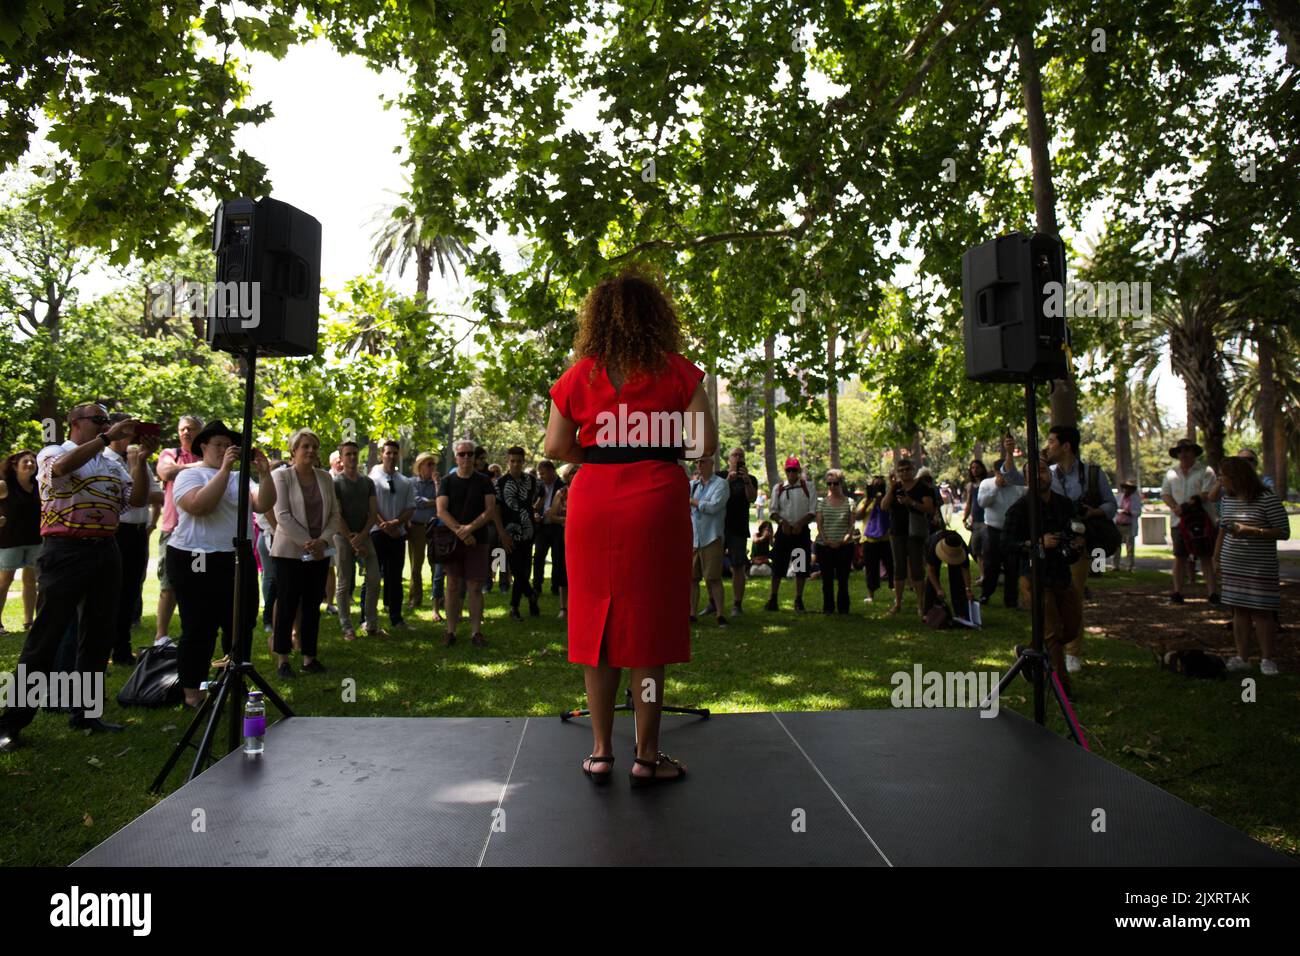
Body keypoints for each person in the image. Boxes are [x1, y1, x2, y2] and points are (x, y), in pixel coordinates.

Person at [544, 268, 714, 785]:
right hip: (655, 502)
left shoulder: (579, 376)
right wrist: (651, 448)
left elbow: (555, 447)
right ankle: (646, 756)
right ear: (657, 317)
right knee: (648, 628)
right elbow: (703, 445)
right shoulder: (678, 372)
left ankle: (600, 753)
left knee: (595, 621)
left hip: (593, 502)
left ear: (596, 321)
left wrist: (600, 453)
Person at [0, 405, 158, 752]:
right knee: (46, 635)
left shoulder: (112, 464)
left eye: (107, 421)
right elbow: (60, 470)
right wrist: (106, 438)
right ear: (74, 423)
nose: (106, 425)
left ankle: (85, 714)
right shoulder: (54, 451)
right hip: (64, 549)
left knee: (98, 635)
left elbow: (136, 500)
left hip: (106, 549)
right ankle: (11, 723)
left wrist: (142, 460)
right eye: (98, 420)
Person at [168, 421, 274, 708]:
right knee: (199, 627)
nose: (225, 450)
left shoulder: (242, 478)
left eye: (230, 446)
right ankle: (193, 691)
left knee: (240, 624)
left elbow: (263, 503)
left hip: (236, 558)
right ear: (203, 446)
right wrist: (225, 470)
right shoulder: (190, 475)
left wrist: (265, 474)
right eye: (219, 445)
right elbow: (200, 506)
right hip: (195, 557)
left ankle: (232, 680)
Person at [1003, 454, 1086, 699]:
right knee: (1051, 634)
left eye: (1042, 471)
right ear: (1026, 480)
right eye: (1032, 473)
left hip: (1062, 573)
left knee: (1070, 628)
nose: (1038, 476)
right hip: (1035, 576)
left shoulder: (1064, 504)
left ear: (1049, 475)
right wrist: (1036, 543)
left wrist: (1076, 542)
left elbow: (1076, 528)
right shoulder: (1020, 508)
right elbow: (1006, 543)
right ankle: (1062, 689)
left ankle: (1029, 653)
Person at [1041, 423, 1117, 673]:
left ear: (1066, 446)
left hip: (1078, 543)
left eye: (1051, 441)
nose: (1047, 446)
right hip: (1050, 542)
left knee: (1072, 597)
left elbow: (1111, 505)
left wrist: (1093, 512)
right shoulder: (1046, 473)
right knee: (1049, 598)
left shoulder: (1093, 474)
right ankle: (1053, 649)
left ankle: (1073, 652)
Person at [269, 428, 341, 678]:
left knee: (312, 604)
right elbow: (282, 515)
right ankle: (283, 660)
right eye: (305, 446)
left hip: (320, 552)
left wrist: (322, 541)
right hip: (289, 553)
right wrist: (308, 542)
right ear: (293, 450)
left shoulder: (325, 478)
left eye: (314, 447)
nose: (311, 451)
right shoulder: (281, 476)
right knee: (287, 604)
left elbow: (335, 515)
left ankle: (309, 657)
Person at [1215, 457, 1289, 675]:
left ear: (1236, 477)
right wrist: (1216, 556)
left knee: (1262, 611)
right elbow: (1222, 530)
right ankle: (1242, 657)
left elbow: (1283, 532)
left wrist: (1251, 531)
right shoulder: (1227, 500)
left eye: (1223, 476)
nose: (1220, 480)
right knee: (1238, 610)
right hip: (1232, 562)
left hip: (1259, 565)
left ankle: (1267, 659)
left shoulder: (1267, 499)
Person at [104, 417, 163, 665]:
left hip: (138, 531)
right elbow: (128, 496)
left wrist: (139, 469)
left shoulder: (140, 459)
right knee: (110, 591)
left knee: (131, 589)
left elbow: (158, 495)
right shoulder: (105, 459)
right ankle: (104, 648)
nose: (133, 436)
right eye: (128, 431)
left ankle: (122, 648)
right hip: (117, 530)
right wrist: (136, 485)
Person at [436, 439, 497, 646]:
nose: (466, 458)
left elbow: (490, 510)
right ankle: (450, 631)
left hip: (478, 541)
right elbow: (441, 510)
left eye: (470, 454)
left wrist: (470, 528)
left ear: (475, 457)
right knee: (452, 585)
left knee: (475, 586)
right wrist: (461, 532)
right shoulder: (447, 481)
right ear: (456, 457)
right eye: (462, 454)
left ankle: (476, 632)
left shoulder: (484, 481)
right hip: (453, 542)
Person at [153, 415, 203, 640]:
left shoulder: (206, 455)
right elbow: (166, 473)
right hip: (172, 531)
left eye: (191, 429)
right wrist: (199, 466)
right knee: (168, 585)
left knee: (197, 582)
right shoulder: (170, 454)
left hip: (199, 533)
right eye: (182, 429)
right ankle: (161, 636)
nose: (186, 433)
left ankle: (193, 632)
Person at [332, 441, 383, 640]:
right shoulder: (336, 483)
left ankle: (371, 624)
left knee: (374, 578)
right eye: (348, 454)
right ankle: (346, 627)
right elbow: (337, 515)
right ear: (341, 458)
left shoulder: (367, 482)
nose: (352, 457)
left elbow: (373, 512)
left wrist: (361, 536)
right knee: (344, 583)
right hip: (342, 537)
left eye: (355, 453)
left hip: (364, 535)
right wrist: (351, 539)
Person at [1161, 437, 1218, 605]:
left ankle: (1213, 593)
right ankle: (1177, 592)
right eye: (1180, 451)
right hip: (1179, 522)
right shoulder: (1171, 473)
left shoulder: (1206, 471)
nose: (1184, 454)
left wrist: (1185, 506)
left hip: (1202, 520)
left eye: (1187, 450)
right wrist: (1175, 507)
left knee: (1206, 556)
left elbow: (1207, 494)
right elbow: (1165, 494)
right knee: (1180, 557)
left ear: (1194, 452)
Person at [369, 440, 415, 629]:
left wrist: (395, 523)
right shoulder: (372, 478)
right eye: (388, 453)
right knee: (372, 576)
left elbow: (410, 508)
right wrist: (383, 524)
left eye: (395, 453)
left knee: (395, 577)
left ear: (399, 455)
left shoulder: (405, 481)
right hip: (377, 533)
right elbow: (369, 507)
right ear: (382, 454)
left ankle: (396, 617)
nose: (392, 456)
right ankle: (367, 618)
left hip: (398, 534)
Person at [882, 458, 935, 618]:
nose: (904, 473)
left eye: (907, 469)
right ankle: (898, 603)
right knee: (898, 568)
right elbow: (884, 506)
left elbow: (929, 508)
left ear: (912, 469)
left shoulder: (922, 487)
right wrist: (891, 487)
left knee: (917, 567)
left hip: (915, 532)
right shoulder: (896, 487)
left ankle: (920, 604)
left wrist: (910, 502)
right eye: (901, 470)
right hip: (897, 532)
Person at [977, 436, 1026, 607]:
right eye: (1001, 473)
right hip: (992, 529)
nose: (1004, 477)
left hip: (1012, 530)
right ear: (996, 472)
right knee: (991, 564)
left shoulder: (1017, 485)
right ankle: (986, 593)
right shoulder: (987, 484)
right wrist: (996, 489)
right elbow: (982, 502)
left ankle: (1011, 599)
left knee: (1012, 565)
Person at [766, 456, 816, 613]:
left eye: (794, 470)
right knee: (778, 566)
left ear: (799, 470)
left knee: (800, 567)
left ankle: (798, 599)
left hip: (801, 533)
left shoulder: (808, 486)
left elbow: (813, 510)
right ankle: (773, 598)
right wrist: (782, 522)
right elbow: (773, 511)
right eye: (789, 470)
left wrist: (800, 523)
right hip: (784, 532)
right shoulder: (778, 488)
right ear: (785, 471)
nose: (791, 473)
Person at [497, 446, 541, 620]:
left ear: (524, 462)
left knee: (523, 571)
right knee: (516, 570)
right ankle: (530, 595)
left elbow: (542, 494)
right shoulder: (500, 483)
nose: (516, 464)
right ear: (507, 462)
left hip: (528, 531)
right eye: (512, 461)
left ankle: (514, 607)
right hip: (509, 533)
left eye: (519, 461)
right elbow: (496, 510)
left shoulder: (532, 481)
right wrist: (501, 533)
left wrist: (534, 510)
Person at [0, 450, 41, 634]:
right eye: (26, 461)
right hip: (9, 540)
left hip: (35, 540)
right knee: (4, 582)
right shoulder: (4, 485)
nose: (30, 464)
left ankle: (29, 622)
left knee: (31, 581)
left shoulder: (38, 485)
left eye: (33, 461)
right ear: (15, 465)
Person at [689, 454, 730, 626]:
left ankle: (720, 615)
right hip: (694, 539)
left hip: (712, 538)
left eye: (703, 462)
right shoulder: (692, 485)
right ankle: (692, 614)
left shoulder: (721, 484)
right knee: (692, 579)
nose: (699, 465)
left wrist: (693, 502)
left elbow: (713, 507)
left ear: (712, 463)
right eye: (697, 462)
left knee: (713, 578)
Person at [721, 447, 758, 616]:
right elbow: (716, 496)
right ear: (729, 459)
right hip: (719, 527)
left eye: (741, 455)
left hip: (739, 528)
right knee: (714, 566)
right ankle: (714, 603)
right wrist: (727, 480)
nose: (738, 457)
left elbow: (752, 498)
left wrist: (746, 481)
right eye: (735, 455)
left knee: (738, 566)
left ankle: (737, 604)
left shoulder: (750, 478)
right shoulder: (720, 476)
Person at [814, 468, 854, 614]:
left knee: (843, 580)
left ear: (841, 483)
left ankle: (843, 608)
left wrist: (842, 541)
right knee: (827, 580)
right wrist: (827, 541)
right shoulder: (821, 503)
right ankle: (828, 608)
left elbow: (851, 526)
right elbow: (820, 525)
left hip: (845, 546)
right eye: (829, 483)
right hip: (824, 546)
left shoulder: (850, 502)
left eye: (835, 483)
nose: (832, 486)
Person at [532, 459, 567, 612]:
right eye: (539, 474)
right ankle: (537, 585)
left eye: (543, 474)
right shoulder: (538, 487)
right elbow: (532, 505)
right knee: (539, 555)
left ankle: (556, 585)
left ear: (552, 471)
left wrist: (554, 512)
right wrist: (535, 514)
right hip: (541, 527)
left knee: (558, 557)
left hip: (557, 527)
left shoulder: (563, 487)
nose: (541, 477)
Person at [853, 475, 893, 603]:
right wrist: (869, 502)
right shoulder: (865, 501)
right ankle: (870, 594)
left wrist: (882, 500)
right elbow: (858, 517)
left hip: (886, 539)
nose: (878, 487)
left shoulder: (888, 500)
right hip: (869, 540)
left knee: (891, 567)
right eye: (875, 485)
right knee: (871, 569)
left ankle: (896, 592)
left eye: (880, 485)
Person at [407, 452, 439, 613]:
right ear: (420, 466)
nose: (432, 467)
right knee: (416, 565)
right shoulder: (411, 482)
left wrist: (437, 485)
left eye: (434, 464)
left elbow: (443, 501)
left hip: (434, 527)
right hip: (416, 527)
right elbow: (416, 501)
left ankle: (438, 598)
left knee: (436, 565)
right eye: (429, 464)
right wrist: (434, 502)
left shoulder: (438, 483)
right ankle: (415, 598)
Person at [923, 529, 973, 620]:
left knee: (957, 579)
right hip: (932, 544)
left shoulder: (962, 548)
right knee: (931, 583)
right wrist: (938, 589)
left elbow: (965, 570)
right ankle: (928, 611)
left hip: (954, 551)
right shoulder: (933, 546)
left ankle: (961, 612)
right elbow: (930, 570)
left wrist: (968, 589)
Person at [962, 460, 989, 581]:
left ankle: (989, 574)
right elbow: (969, 503)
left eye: (977, 467)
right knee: (975, 549)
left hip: (987, 521)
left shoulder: (987, 483)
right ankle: (983, 575)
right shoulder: (970, 486)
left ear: (982, 469)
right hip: (976, 522)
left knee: (987, 550)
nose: (975, 470)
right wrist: (965, 518)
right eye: (972, 468)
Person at [1115, 478, 1142, 572]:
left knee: (1129, 547)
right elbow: (1114, 508)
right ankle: (1115, 565)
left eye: (1129, 488)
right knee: (1116, 546)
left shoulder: (1135, 499)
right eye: (1126, 488)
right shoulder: (1118, 497)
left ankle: (1129, 566)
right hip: (1118, 524)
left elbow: (1138, 512)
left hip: (1129, 525)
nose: (1127, 490)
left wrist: (1129, 512)